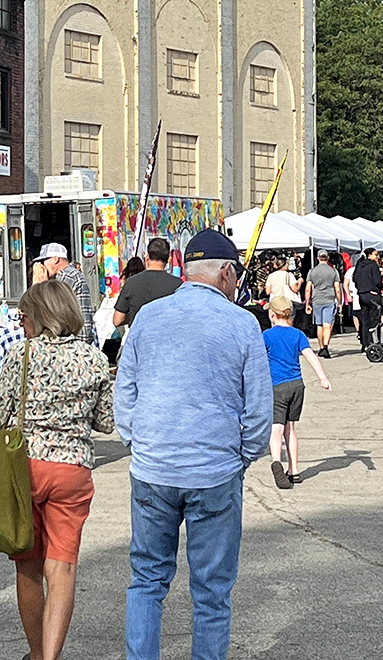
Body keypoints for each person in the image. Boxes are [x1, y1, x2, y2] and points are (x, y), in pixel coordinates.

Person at [114, 229, 273, 660]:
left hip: (154, 466)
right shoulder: (242, 323)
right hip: (214, 470)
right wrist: (242, 456)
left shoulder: (148, 317)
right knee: (212, 592)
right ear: (226, 273)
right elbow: (259, 408)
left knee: (147, 580)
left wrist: (136, 441)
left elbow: (124, 389)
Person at [0, 280, 114, 660]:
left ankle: (35, 653)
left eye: (23, 316)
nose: (21, 323)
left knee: (27, 565)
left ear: (39, 317)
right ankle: (51, 657)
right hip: (72, 470)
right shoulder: (93, 358)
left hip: (25, 468)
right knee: (62, 570)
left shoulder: (21, 354)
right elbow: (106, 422)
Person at [264, 296, 332, 489]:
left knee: (276, 428)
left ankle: (276, 461)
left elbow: (256, 360)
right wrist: (323, 378)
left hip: (277, 386)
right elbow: (310, 356)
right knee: (290, 428)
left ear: (272, 314)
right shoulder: (298, 335)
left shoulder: (267, 335)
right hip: (296, 386)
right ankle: (294, 471)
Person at [32, 243, 95, 344]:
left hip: (75, 339)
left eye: (43, 261)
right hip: (76, 337)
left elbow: (48, 310)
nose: (42, 265)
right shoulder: (68, 274)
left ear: (55, 259)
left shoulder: (66, 277)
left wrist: (38, 284)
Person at [112, 238, 181, 328]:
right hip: (167, 333)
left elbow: (117, 320)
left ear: (148, 257)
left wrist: (133, 316)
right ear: (168, 259)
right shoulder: (177, 284)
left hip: (139, 334)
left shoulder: (131, 282)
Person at [305, 249, 342, 359]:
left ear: (318, 258)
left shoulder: (312, 271)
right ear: (328, 258)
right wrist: (339, 302)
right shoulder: (333, 271)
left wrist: (307, 303)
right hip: (329, 299)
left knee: (319, 325)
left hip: (317, 300)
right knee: (328, 324)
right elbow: (337, 289)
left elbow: (308, 289)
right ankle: (325, 347)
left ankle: (321, 347)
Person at [353, 248, 383, 351]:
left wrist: (361, 289)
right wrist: (378, 288)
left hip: (362, 295)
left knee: (365, 320)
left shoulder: (359, 265)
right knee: (374, 319)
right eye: (375, 254)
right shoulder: (373, 265)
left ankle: (365, 343)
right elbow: (377, 281)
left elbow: (355, 279)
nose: (377, 257)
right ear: (369, 255)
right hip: (372, 294)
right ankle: (374, 342)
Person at [343, 262, 360, 335]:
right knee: (355, 314)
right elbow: (345, 283)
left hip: (362, 294)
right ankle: (358, 330)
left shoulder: (366, 269)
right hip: (354, 294)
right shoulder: (351, 270)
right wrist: (348, 294)